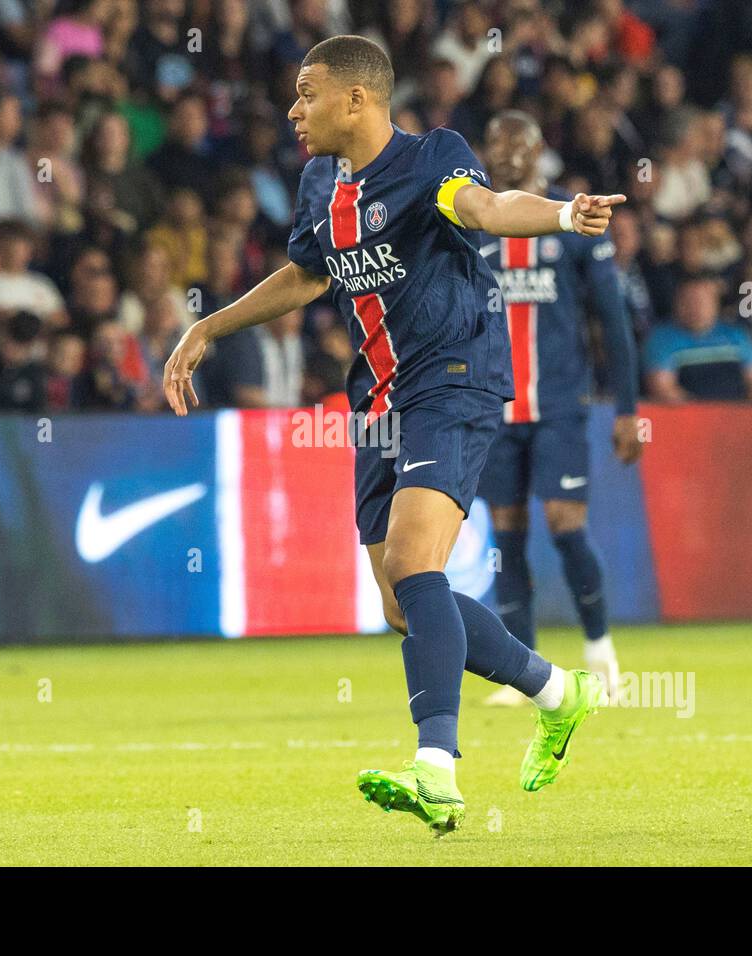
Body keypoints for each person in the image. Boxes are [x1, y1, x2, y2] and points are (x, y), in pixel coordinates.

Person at [163, 35, 624, 835]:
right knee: (403, 606)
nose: (293, 109)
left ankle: (435, 769)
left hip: (452, 379)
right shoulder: (319, 183)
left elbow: (486, 209)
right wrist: (208, 326)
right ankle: (557, 691)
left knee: (415, 563)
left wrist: (560, 214)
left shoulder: (432, 157)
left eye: (307, 92)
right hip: (377, 403)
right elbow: (307, 274)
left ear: (357, 99)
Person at [474, 111, 641, 706]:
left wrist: (628, 409)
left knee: (567, 527)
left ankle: (601, 654)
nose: (507, 154)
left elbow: (612, 320)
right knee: (506, 536)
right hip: (495, 410)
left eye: (518, 143)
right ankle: (524, 675)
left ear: (539, 149)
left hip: (560, 407)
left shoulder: (573, 219)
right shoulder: (472, 223)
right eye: (496, 143)